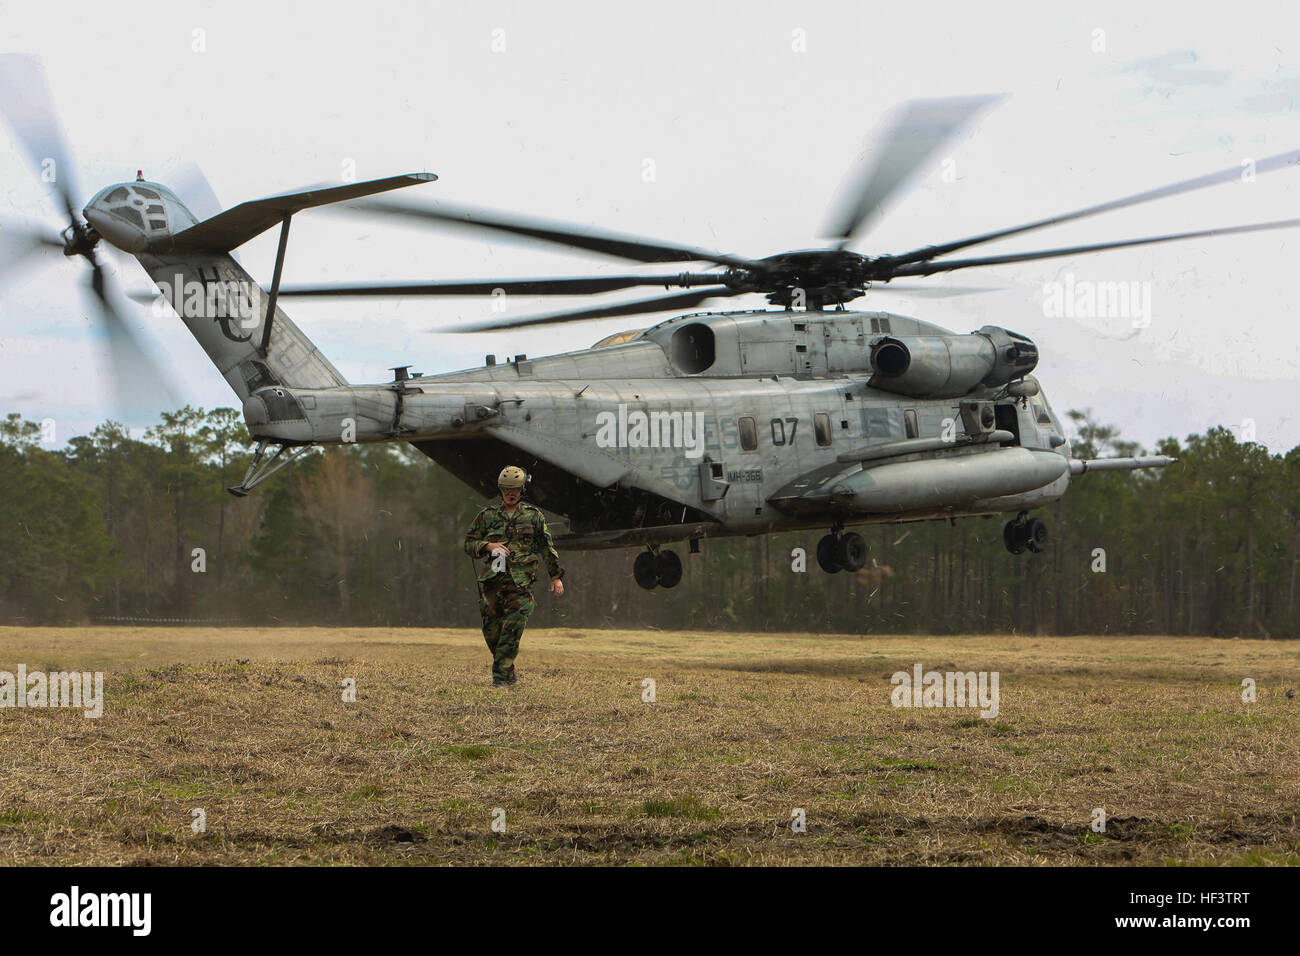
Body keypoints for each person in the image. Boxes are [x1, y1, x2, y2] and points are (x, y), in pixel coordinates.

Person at [464, 466, 565, 687]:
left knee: (512, 628)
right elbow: (469, 544)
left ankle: (499, 679)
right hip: (492, 581)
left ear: (522, 491)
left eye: (516, 490)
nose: (511, 494)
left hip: (520, 582)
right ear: (501, 490)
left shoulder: (533, 516)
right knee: (492, 632)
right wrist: (488, 545)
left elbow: (547, 548)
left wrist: (556, 577)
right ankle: (508, 672)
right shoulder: (487, 516)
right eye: (507, 489)